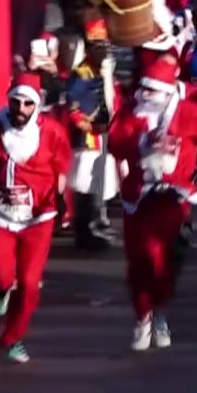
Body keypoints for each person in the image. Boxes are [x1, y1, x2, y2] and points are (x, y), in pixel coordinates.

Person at [107, 53, 197, 352]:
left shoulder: (187, 114)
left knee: (162, 262)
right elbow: (114, 142)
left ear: (167, 92)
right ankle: (143, 317)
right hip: (137, 198)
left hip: (173, 197)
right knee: (138, 262)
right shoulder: (132, 111)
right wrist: (142, 142)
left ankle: (161, 309)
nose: (145, 94)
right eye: (144, 89)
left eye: (152, 90)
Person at [0, 74, 73, 364]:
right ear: (8, 100)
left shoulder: (51, 131)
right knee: (0, 275)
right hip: (0, 214)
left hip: (38, 216)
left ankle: (13, 337)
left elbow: (62, 165)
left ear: (36, 105)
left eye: (28, 103)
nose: (22, 108)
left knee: (29, 283)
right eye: (17, 101)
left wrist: (62, 199)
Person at [62, 39, 118, 251]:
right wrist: (83, 123)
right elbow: (71, 103)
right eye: (98, 49)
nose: (104, 53)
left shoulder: (100, 72)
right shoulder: (82, 73)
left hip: (102, 134)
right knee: (84, 181)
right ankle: (84, 230)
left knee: (98, 181)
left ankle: (94, 225)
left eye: (106, 48)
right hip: (88, 137)